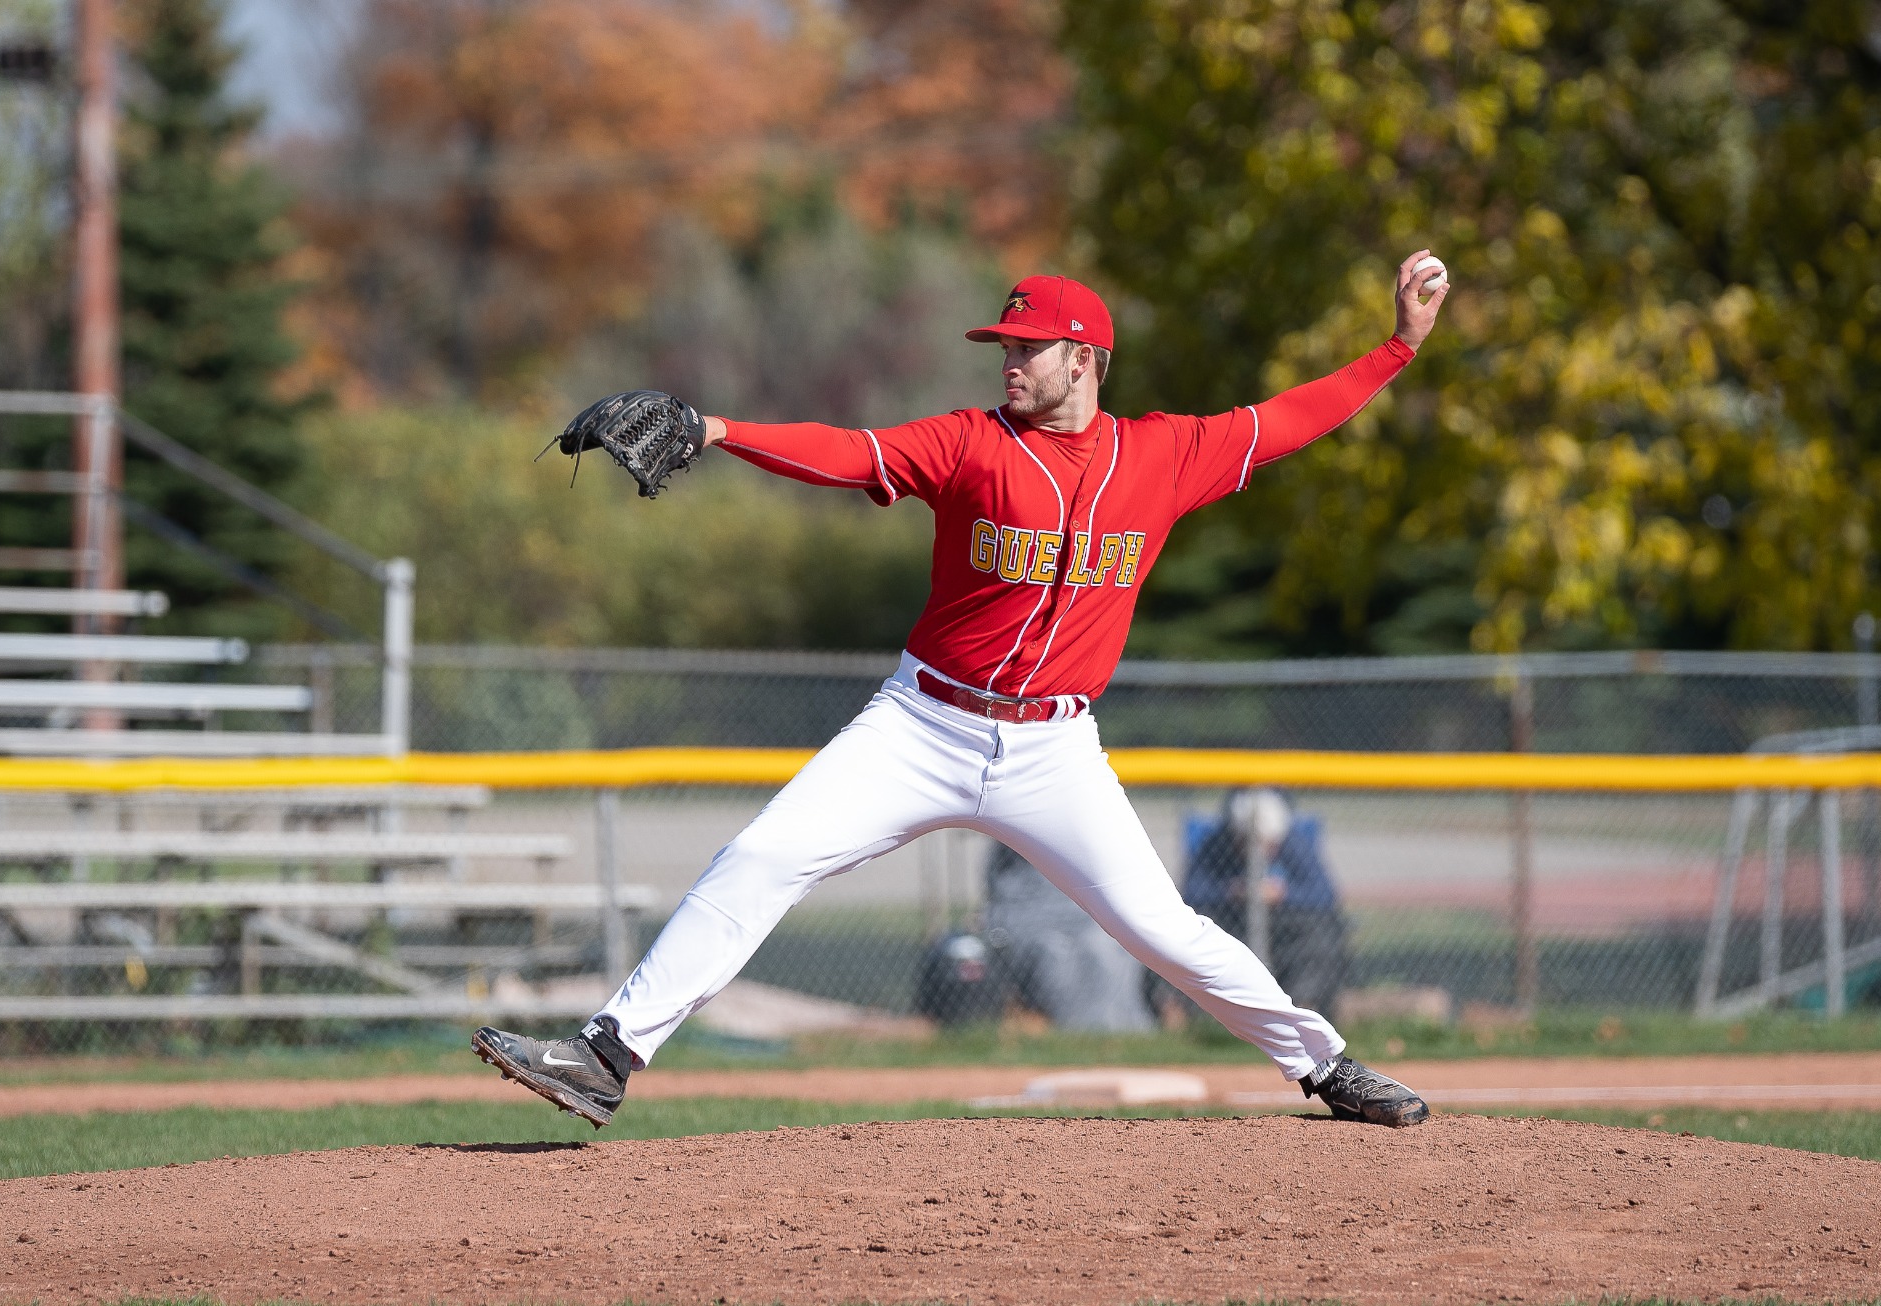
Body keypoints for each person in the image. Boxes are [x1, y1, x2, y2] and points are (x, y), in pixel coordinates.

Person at [473, 251, 1451, 1128]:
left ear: (1085, 360)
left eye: (1029, 347)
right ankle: (604, 1058)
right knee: (763, 855)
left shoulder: (1161, 455)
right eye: (1004, 346)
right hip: (921, 723)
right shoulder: (967, 443)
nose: (1008, 361)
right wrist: (716, 428)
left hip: (1052, 750)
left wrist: (1395, 350)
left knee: (1161, 930)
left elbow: (1291, 419)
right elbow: (848, 452)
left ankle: (1323, 1066)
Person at [1183, 788, 1351, 1018]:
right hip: (1232, 923)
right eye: (1248, 845)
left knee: (1322, 929)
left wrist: (1283, 894)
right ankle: (1201, 1016)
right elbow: (1192, 892)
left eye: (1266, 846)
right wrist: (1232, 891)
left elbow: (1324, 893)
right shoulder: (1216, 844)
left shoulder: (1292, 841)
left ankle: (1303, 1010)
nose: (1258, 853)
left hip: (1285, 925)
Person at [983, 841, 1156, 1032]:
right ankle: (1076, 1030)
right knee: (1055, 954)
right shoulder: (1015, 838)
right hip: (1032, 919)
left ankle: (1120, 1029)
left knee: (1104, 949)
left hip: (1083, 915)